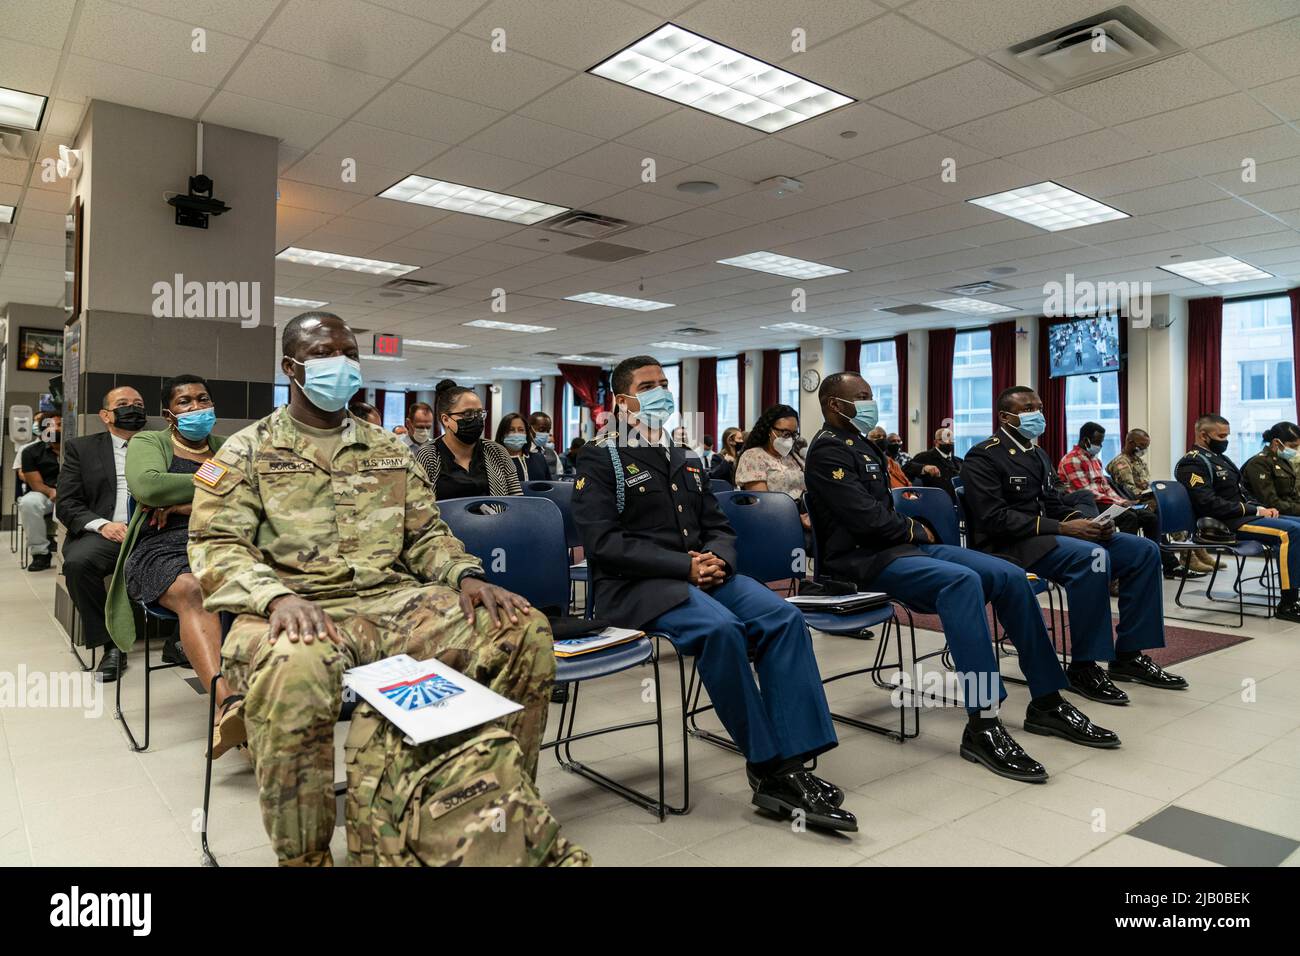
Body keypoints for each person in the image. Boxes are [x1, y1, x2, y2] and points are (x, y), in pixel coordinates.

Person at [187, 312, 580, 867]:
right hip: (292, 606)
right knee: (295, 668)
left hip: (391, 601)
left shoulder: (386, 449)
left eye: (350, 354)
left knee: (521, 630)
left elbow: (425, 535)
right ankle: (305, 858)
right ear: (291, 368)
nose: (342, 365)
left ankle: (502, 813)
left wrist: (464, 576)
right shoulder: (246, 451)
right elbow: (216, 545)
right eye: (326, 355)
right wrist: (274, 596)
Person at [572, 355, 856, 832]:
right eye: (648, 385)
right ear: (622, 401)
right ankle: (768, 769)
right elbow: (604, 543)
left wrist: (717, 558)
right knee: (721, 629)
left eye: (665, 383)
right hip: (638, 586)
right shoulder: (601, 457)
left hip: (705, 573)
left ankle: (796, 754)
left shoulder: (684, 453)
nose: (662, 391)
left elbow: (717, 524)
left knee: (783, 618)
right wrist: (684, 565)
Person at [806, 373, 1117, 782]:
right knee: (961, 582)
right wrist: (914, 528)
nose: (870, 403)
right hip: (860, 562)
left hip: (899, 548)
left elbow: (881, 515)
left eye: (869, 396)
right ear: (833, 405)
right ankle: (983, 722)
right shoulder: (827, 451)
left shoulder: (863, 445)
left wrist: (909, 531)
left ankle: (1046, 699)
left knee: (1008, 575)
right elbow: (865, 519)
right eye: (861, 397)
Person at [963, 386, 1188, 704]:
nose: (1037, 414)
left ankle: (1129, 656)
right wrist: (1066, 528)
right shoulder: (984, 455)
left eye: (1039, 407)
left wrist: (1089, 523)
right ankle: (1084, 665)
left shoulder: (1037, 454)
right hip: (1008, 545)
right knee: (1091, 557)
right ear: (1004, 416)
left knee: (1142, 551)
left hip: (1048, 537)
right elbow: (993, 518)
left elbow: (1055, 502)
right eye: (1028, 408)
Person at [104, 375, 245, 756]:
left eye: (203, 399)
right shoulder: (150, 442)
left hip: (223, 544)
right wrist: (218, 485)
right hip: (161, 547)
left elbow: (253, 492)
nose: (196, 407)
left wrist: (183, 503)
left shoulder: (226, 446)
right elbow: (148, 487)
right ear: (169, 413)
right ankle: (229, 705)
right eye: (185, 402)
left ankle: (252, 707)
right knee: (195, 590)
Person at [57, 387, 149, 682]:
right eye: (123, 404)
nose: (132, 408)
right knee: (78, 564)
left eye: (138, 404)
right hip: (106, 532)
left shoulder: (160, 445)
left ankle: (178, 642)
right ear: (105, 415)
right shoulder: (81, 449)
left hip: (151, 531)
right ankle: (111, 646)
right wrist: (103, 526)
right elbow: (67, 503)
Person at [1177, 414, 1300, 623]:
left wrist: (1261, 507)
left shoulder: (1221, 459)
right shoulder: (1193, 463)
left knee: (1297, 524)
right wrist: (1252, 511)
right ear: (1204, 435)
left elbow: (1241, 492)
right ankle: (1288, 603)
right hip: (1224, 525)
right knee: (1290, 532)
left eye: (1227, 435)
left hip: (1242, 517)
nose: (1225, 440)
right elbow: (1208, 503)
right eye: (1221, 436)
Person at [1058, 422, 1187, 580]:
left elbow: (1106, 488)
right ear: (1086, 440)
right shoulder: (1072, 460)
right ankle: (1125, 566)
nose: (1101, 445)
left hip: (1104, 501)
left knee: (1150, 517)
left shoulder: (1095, 460)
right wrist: (1120, 503)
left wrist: (1122, 501)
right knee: (1129, 517)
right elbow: (1085, 491)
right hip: (1085, 505)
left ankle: (1165, 564)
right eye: (1098, 442)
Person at [1109, 428, 1215, 574]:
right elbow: (1131, 492)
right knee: (1167, 509)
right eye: (1142, 445)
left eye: (1147, 446)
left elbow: (1145, 485)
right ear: (1130, 442)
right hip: (1132, 504)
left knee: (1178, 504)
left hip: (1146, 500)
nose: (1144, 449)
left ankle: (1194, 550)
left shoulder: (1138, 462)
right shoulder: (1121, 463)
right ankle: (1186, 555)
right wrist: (1155, 496)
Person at [415, 381, 522, 500]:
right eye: (468, 414)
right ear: (446, 419)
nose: (476, 419)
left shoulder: (497, 452)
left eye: (480, 413)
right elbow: (419, 506)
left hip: (496, 518)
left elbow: (517, 500)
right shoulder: (428, 455)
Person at [735, 404, 810, 530]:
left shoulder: (793, 457)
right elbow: (761, 503)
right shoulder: (753, 456)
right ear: (769, 430)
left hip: (803, 514)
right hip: (772, 522)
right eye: (785, 433)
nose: (789, 439)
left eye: (793, 434)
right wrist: (795, 518)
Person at [18, 414, 61, 571]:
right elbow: (35, 483)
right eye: (51, 425)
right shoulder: (31, 451)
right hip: (46, 493)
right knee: (29, 502)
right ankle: (40, 554)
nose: (55, 428)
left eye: (60, 424)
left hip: (74, 493)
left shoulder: (77, 447)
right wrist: (51, 491)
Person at [1243, 422, 1300, 516]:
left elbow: (1292, 495)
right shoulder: (1259, 463)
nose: (1296, 450)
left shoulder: (1284, 461)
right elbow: (1269, 502)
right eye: (1293, 446)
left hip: (1287, 511)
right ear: (1276, 442)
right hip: (1269, 513)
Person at [903, 426, 963, 501]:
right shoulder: (924, 457)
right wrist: (924, 468)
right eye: (945, 439)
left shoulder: (959, 461)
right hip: (934, 502)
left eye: (951, 439)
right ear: (936, 442)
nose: (949, 442)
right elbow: (906, 468)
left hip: (957, 502)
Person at [495, 412, 549, 485]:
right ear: (502, 435)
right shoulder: (494, 462)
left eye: (521, 430)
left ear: (526, 434)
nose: (516, 433)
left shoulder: (539, 459)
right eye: (511, 430)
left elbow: (549, 488)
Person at [528, 412, 561, 479]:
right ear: (529, 428)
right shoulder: (523, 452)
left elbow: (560, 476)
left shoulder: (552, 453)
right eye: (541, 429)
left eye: (548, 430)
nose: (546, 433)